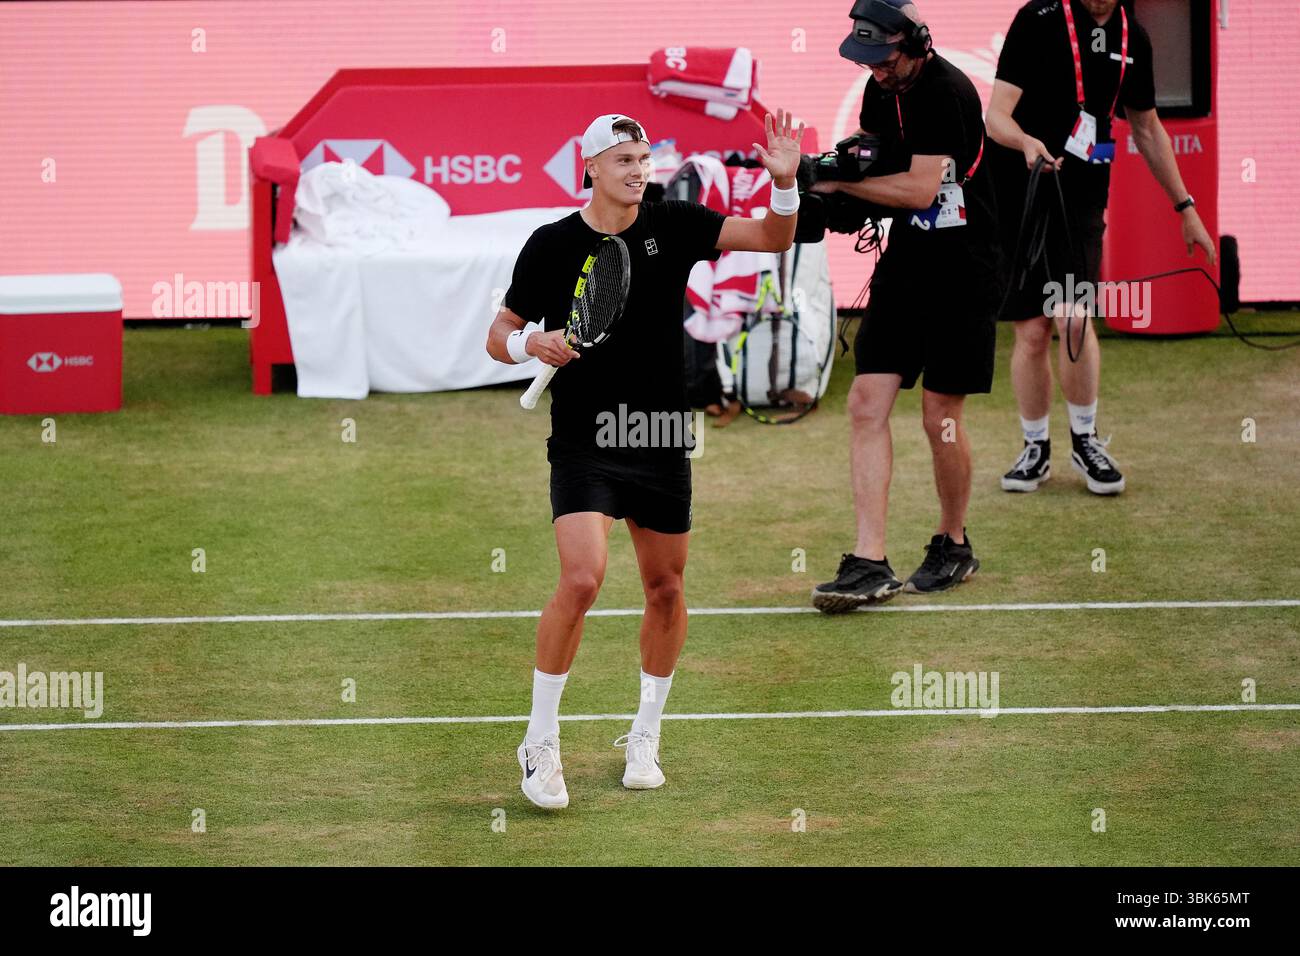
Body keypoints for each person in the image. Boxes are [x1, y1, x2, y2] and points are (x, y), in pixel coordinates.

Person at [486, 111, 804, 808]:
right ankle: (540, 742)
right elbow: (498, 333)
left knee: (666, 588)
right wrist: (528, 347)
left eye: (643, 158)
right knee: (582, 578)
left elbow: (775, 237)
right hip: (584, 439)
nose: (638, 171)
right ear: (591, 169)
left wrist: (785, 185)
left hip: (660, 433)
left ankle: (645, 735)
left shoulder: (677, 222)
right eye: (623, 159)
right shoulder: (550, 245)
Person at [812, 0, 1002, 613]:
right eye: (867, 61)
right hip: (909, 259)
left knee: (938, 414)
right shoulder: (878, 89)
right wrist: (835, 173)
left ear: (915, 42)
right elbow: (879, 163)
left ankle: (954, 541)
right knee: (867, 401)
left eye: (885, 59)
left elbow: (920, 188)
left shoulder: (947, 91)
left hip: (966, 264)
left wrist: (838, 184)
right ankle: (870, 561)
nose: (877, 72)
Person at [988, 0, 1216, 495]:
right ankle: (1035, 449)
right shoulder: (1038, 20)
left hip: (1082, 195)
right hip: (1020, 190)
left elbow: (1147, 127)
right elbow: (995, 117)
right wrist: (1026, 142)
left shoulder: (1135, 37)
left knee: (1072, 316)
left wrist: (1187, 209)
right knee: (1031, 331)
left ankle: (1085, 440)